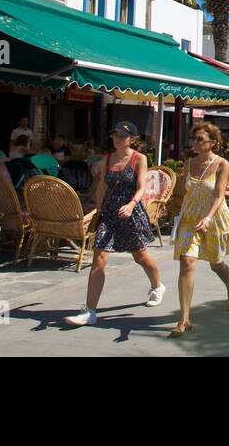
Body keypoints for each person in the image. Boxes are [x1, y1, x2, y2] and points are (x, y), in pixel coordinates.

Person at [64, 121, 164, 327]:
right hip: (109, 213)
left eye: (122, 135)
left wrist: (131, 204)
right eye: (115, 135)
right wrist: (96, 210)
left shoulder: (139, 159)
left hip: (130, 212)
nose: (117, 139)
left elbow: (141, 187)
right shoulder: (106, 159)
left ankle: (157, 286)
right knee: (99, 257)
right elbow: (101, 186)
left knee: (141, 256)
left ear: (133, 140)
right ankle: (90, 310)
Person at [171, 122, 229, 337]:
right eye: (194, 139)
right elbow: (184, 193)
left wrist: (209, 218)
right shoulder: (188, 163)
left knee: (216, 264)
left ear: (212, 143)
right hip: (190, 220)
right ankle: (184, 319)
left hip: (213, 218)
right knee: (187, 263)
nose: (195, 143)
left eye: (200, 139)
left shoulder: (222, 164)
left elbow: (219, 195)